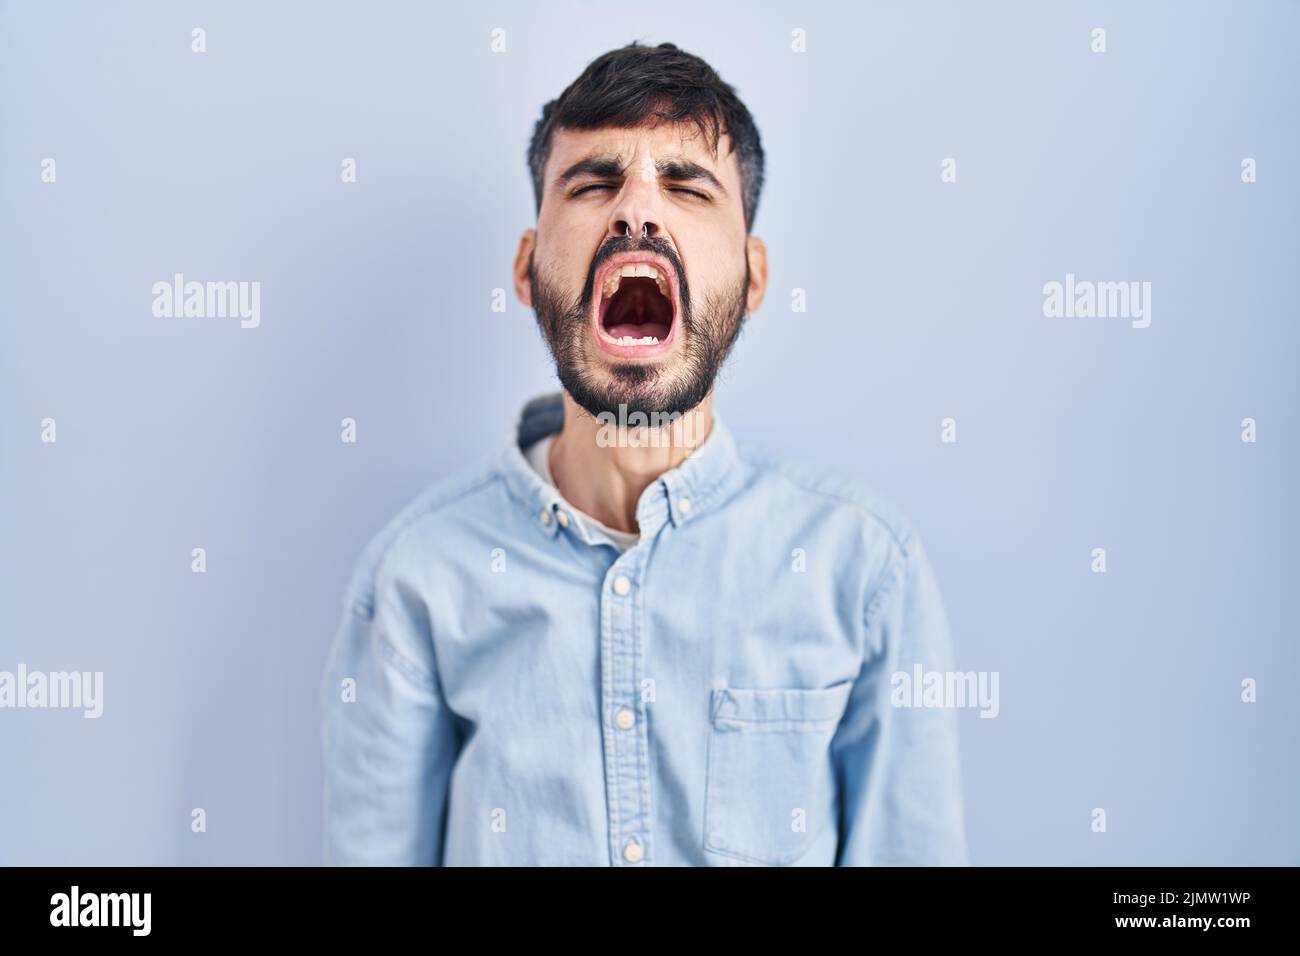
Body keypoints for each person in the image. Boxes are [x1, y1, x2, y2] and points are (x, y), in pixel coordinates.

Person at [322, 41, 968, 866]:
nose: (636, 211)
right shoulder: (417, 579)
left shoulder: (866, 570)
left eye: (687, 185)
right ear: (526, 267)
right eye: (592, 183)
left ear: (752, 274)